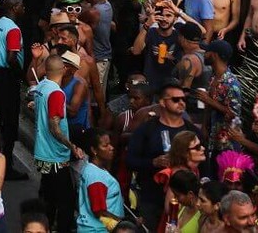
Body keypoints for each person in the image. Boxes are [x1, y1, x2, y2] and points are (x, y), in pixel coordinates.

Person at [127, 81, 200, 229]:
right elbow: (130, 160)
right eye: (175, 99)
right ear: (162, 102)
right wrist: (153, 163)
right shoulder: (147, 129)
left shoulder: (192, 131)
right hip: (151, 198)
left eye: (183, 99)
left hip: (184, 202)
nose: (181, 103)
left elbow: (204, 165)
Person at [32, 55, 82, 233]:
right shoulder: (56, 93)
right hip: (54, 155)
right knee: (66, 201)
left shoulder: (41, 87)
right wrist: (71, 146)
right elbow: (54, 126)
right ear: (64, 70)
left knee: (49, 198)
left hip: (41, 151)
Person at [0, 0, 26, 180]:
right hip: (6, 77)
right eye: (21, 6)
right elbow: (11, 57)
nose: (23, 9)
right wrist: (21, 75)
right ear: (15, 7)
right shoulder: (13, 29)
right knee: (9, 123)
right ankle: (6, 166)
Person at [77, 128, 124, 232]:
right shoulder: (96, 177)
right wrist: (123, 225)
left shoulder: (93, 169)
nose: (111, 148)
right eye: (105, 146)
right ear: (94, 150)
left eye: (110, 144)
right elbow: (99, 211)